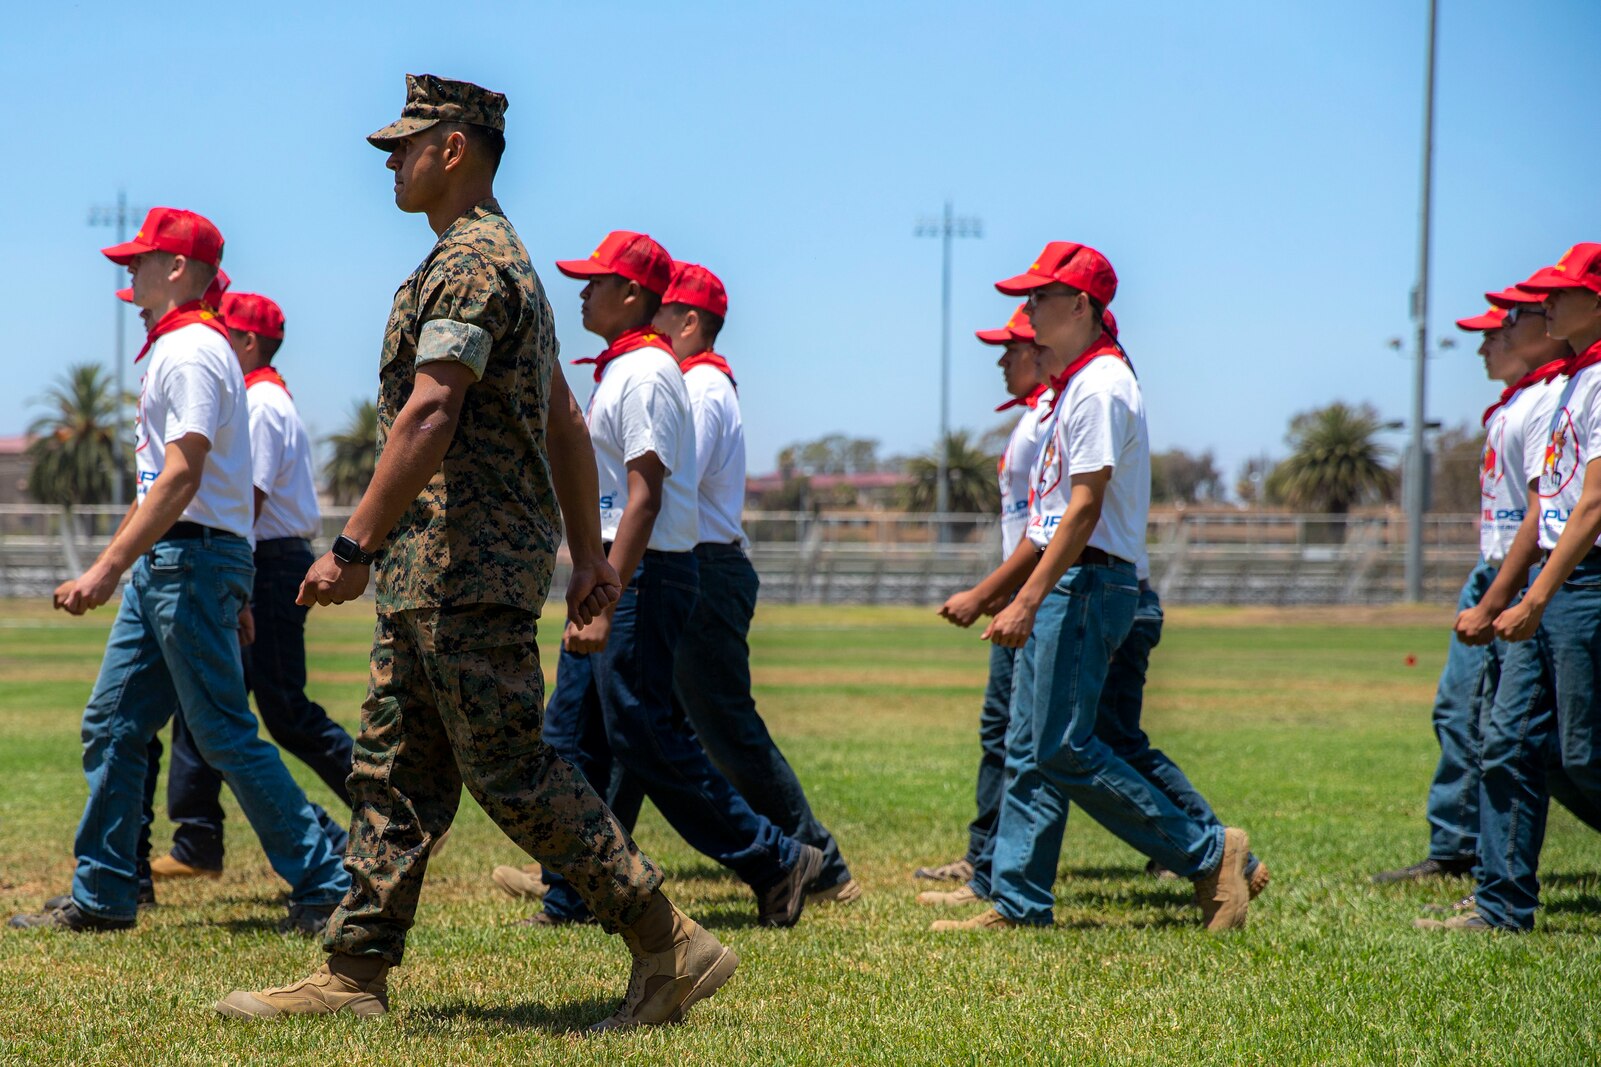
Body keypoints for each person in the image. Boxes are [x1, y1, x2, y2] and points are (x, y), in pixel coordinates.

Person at [216, 74, 735, 1032]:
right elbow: (566, 424)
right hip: (448, 570)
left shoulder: (470, 264)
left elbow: (432, 408)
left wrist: (352, 543)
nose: (390, 161)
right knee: (395, 772)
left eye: (403, 145)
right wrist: (589, 557)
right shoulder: (507, 267)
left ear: (454, 147)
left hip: (458, 568)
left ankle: (669, 939)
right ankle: (354, 970)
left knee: (508, 767)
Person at [10, 209, 349, 934]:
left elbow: (183, 472)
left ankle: (324, 877)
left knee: (223, 731)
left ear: (177, 269)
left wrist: (107, 566)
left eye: (139, 261)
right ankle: (103, 893)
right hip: (185, 560)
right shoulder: (186, 345)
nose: (127, 273)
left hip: (185, 557)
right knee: (113, 720)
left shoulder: (191, 348)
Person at [929, 242, 1252, 932]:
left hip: (1089, 580)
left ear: (1080, 305)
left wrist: (1022, 597)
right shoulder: (1078, 384)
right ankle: (1017, 900)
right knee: (1033, 745)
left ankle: (1205, 851)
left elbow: (1081, 508)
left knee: (1062, 747)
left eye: (1038, 298)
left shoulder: (1102, 384)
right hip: (1075, 577)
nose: (1025, 311)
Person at [530, 233, 825, 929]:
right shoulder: (622, 368)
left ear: (632, 294)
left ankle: (776, 857)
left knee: (645, 736)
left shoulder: (649, 374)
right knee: (573, 735)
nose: (581, 291)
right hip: (613, 567)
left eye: (594, 280)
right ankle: (572, 892)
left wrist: (608, 592)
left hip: (645, 572)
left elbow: (645, 495)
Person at [146, 291, 355, 879]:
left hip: (265, 559)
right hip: (266, 557)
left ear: (247, 342)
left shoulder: (260, 402)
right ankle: (198, 837)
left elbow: (249, 498)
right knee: (221, 701)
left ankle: (383, 809)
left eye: (226, 332)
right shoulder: (265, 397)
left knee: (278, 707)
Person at [1423, 245, 1601, 932]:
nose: (1542, 307)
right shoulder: (1571, 382)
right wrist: (1512, 594)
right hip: (1551, 576)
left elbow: (1590, 504)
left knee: (1579, 752)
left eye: (1557, 296)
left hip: (1579, 579)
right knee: (1509, 742)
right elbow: (1547, 503)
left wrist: (1530, 597)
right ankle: (1500, 906)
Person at [1370, 289, 1553, 885]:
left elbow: (1541, 508)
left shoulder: (1548, 400)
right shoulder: (1517, 403)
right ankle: (1457, 846)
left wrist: (1502, 593)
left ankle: (1469, 851)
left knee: (1512, 728)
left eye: (1496, 332)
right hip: (1494, 568)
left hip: (1519, 574)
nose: (1484, 345)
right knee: (1461, 711)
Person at [915, 302, 1050, 887]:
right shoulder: (1032, 418)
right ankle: (986, 861)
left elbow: (1050, 526)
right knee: (1003, 730)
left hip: (1039, 597)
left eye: (1012, 348)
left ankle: (1205, 852)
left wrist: (989, 591)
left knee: (1071, 744)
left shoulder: (1053, 416)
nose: (1001, 360)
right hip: (1019, 595)